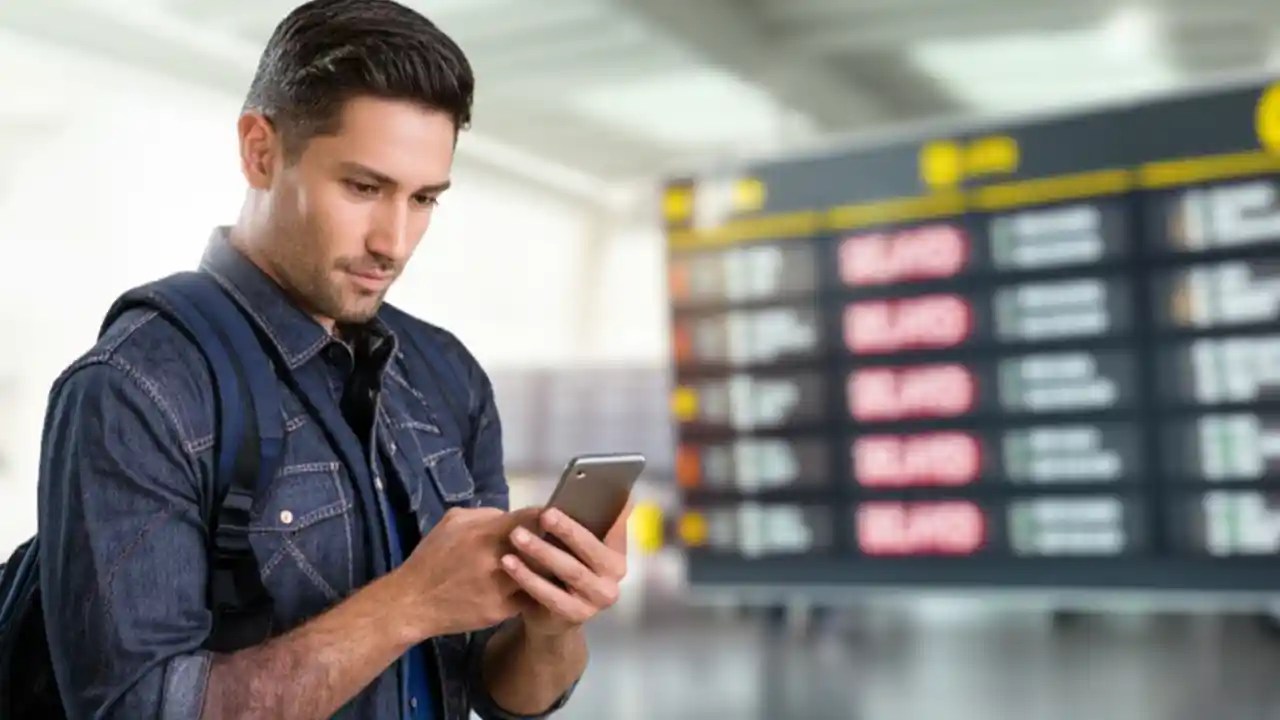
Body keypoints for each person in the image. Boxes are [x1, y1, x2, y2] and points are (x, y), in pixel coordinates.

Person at [35, 1, 627, 718]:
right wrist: (406, 605)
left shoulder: (446, 375)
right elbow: (132, 709)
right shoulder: (135, 389)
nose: (395, 241)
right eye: (364, 188)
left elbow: (495, 689)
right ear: (260, 150)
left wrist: (554, 620)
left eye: (425, 199)